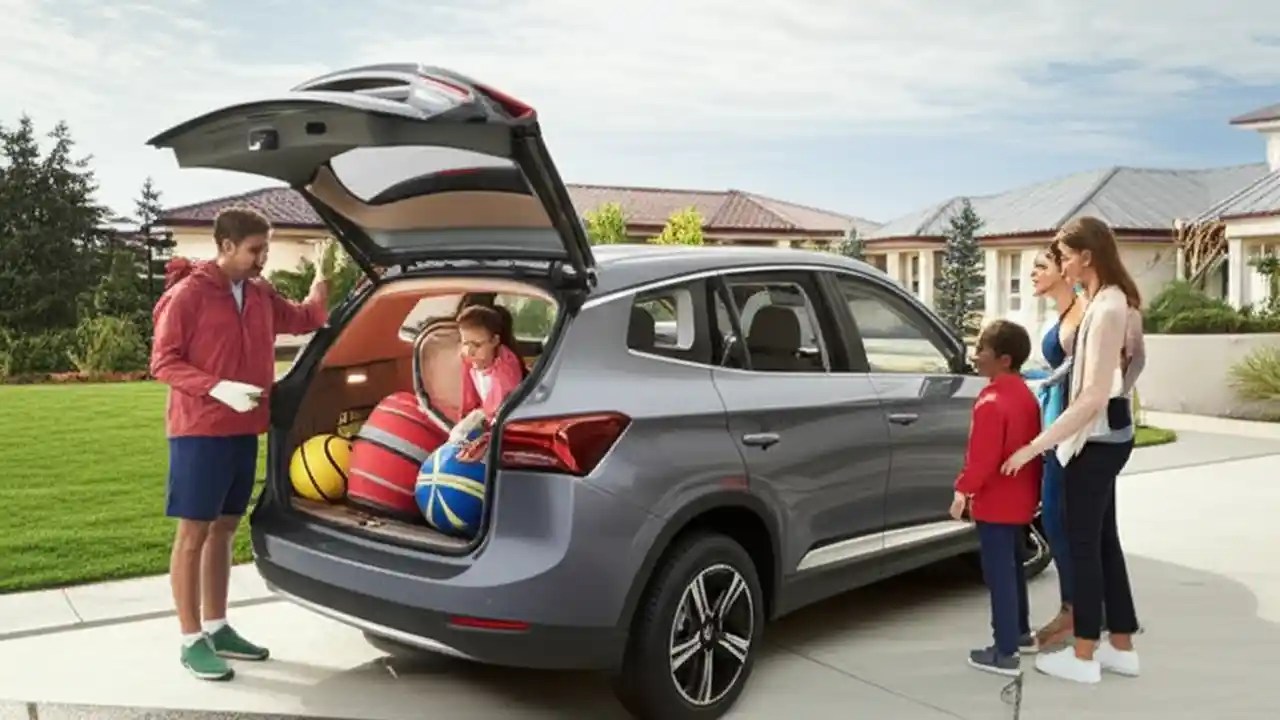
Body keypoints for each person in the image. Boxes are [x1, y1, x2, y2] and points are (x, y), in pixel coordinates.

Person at [150, 207, 328, 681]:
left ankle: (218, 625)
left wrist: (320, 285)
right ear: (226, 246)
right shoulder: (187, 295)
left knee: (226, 529)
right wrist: (215, 387)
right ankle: (191, 639)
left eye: (266, 249)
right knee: (193, 534)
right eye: (255, 250)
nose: (262, 258)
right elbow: (163, 361)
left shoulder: (259, 292)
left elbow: (305, 319)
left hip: (245, 428)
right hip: (199, 430)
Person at [1001, 216, 1146, 684]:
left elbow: (1092, 396)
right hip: (1109, 435)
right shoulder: (1108, 300)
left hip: (1096, 440)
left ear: (1087, 256)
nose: (1061, 265)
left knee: (1084, 547)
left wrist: (1034, 446)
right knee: (1103, 543)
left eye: (1064, 257)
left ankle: (1083, 656)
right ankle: (1120, 647)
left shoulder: (1107, 308)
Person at [952, 319, 1043, 676]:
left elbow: (982, 458)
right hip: (1021, 500)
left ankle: (1005, 651)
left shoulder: (991, 402)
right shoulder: (1025, 396)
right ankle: (1020, 633)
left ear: (1003, 359)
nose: (975, 356)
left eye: (981, 350)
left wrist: (963, 490)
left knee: (998, 576)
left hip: (996, 503)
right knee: (1014, 570)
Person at [1026, 243, 1086, 648]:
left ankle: (1074, 614)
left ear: (1064, 270)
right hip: (1058, 430)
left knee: (1059, 522)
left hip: (1070, 436)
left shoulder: (1082, 315)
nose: (1032, 273)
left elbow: (1077, 374)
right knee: (1060, 522)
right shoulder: (1067, 313)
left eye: (1040, 265)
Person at [451, 304, 526, 460]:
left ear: (495, 341)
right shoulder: (469, 360)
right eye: (465, 343)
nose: (470, 351)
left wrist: (484, 440)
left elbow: (501, 414)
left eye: (477, 345)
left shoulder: (506, 370)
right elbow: (469, 399)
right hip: (485, 418)